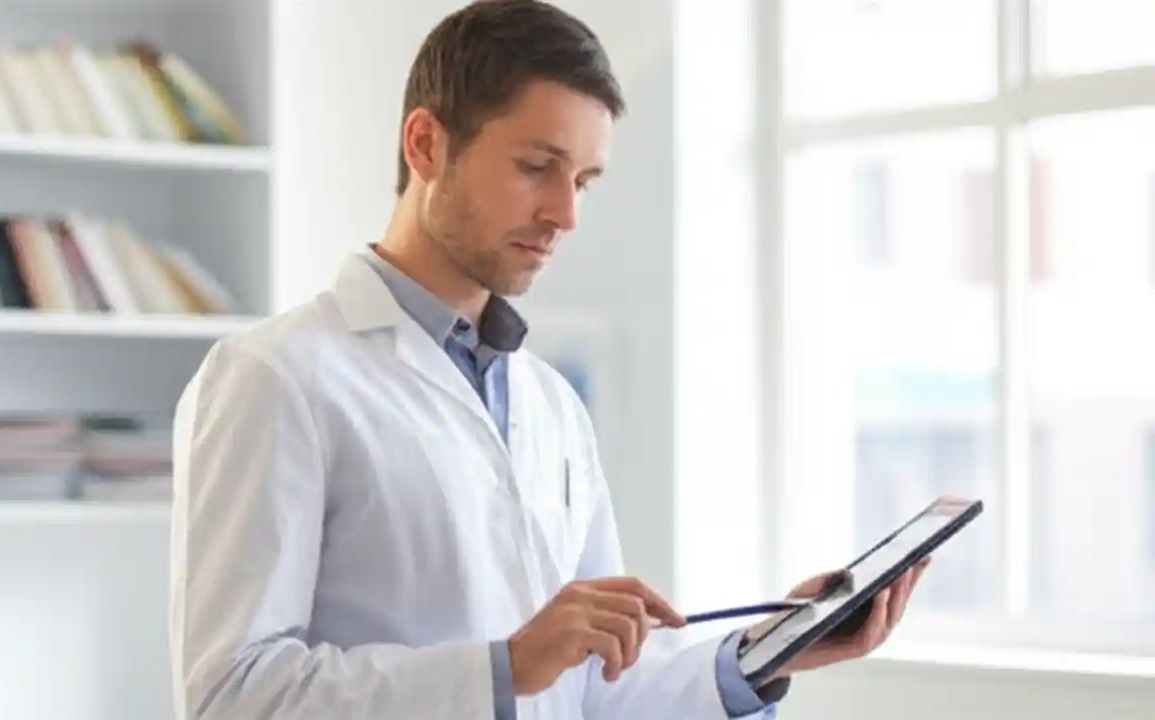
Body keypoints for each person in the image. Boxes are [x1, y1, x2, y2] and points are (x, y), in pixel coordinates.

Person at [168, 1, 929, 718]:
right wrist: (504, 668)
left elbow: (596, 687)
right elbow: (232, 694)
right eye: (537, 166)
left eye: (583, 181)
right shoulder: (275, 379)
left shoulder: (550, 404)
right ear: (426, 144)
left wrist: (764, 656)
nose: (564, 214)